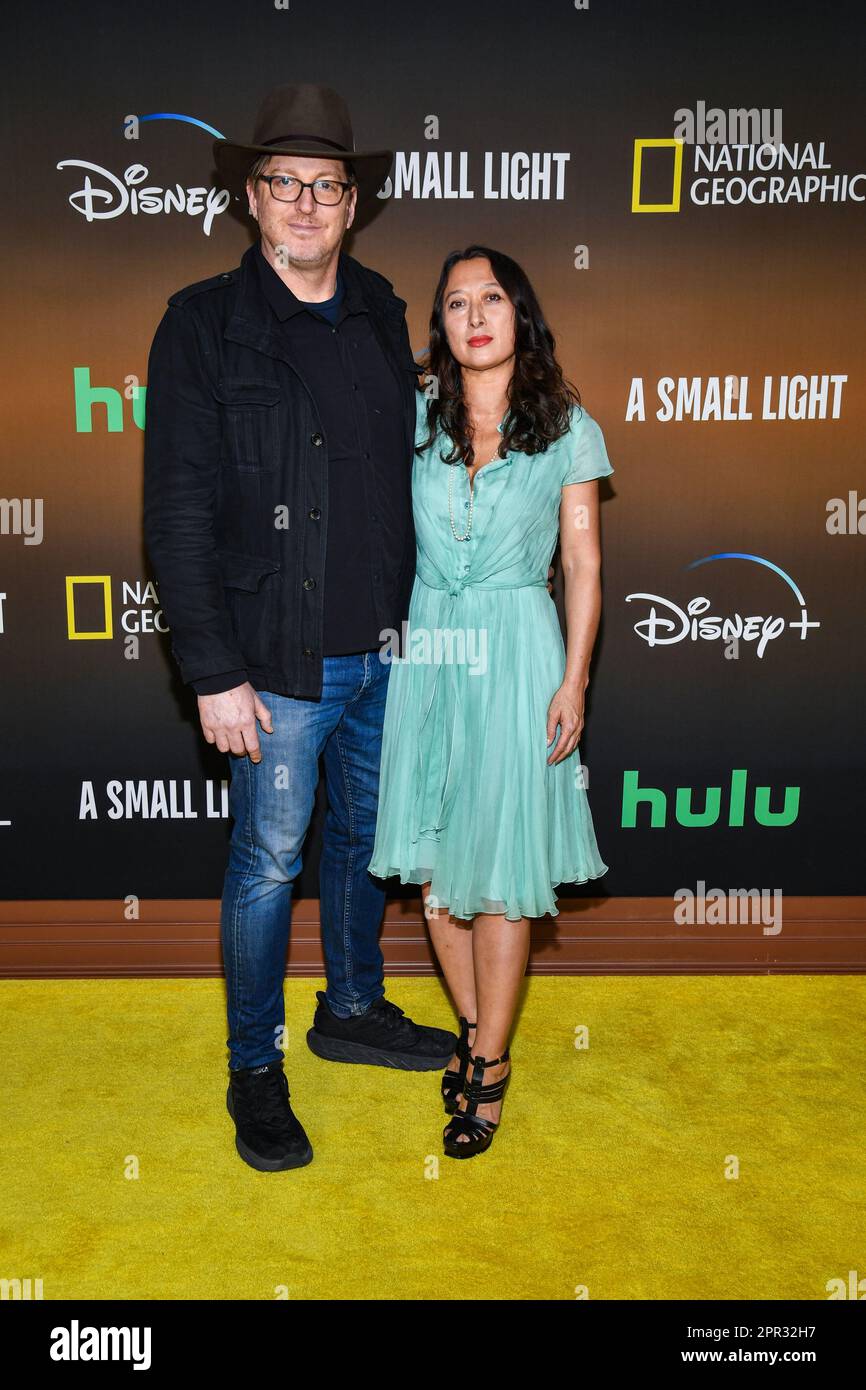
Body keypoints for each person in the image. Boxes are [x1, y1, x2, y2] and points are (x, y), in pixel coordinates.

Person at [143, 84, 458, 1174]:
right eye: (285, 183)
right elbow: (176, 510)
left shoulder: (377, 303)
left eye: (326, 185)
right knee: (267, 860)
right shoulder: (199, 324)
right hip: (273, 661)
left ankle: (353, 1008)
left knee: (363, 843)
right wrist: (211, 669)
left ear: (354, 200)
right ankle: (254, 1066)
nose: (306, 204)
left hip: (386, 650)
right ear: (250, 196)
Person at [368, 245, 615, 1159]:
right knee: (436, 870)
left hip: (518, 648)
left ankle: (492, 1067)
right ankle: (477, 1036)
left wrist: (574, 678)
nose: (476, 315)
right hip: (431, 645)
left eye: (493, 299)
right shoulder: (414, 417)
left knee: (503, 869)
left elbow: (583, 562)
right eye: (458, 302)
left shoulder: (567, 428)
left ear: (521, 316)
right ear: (441, 322)